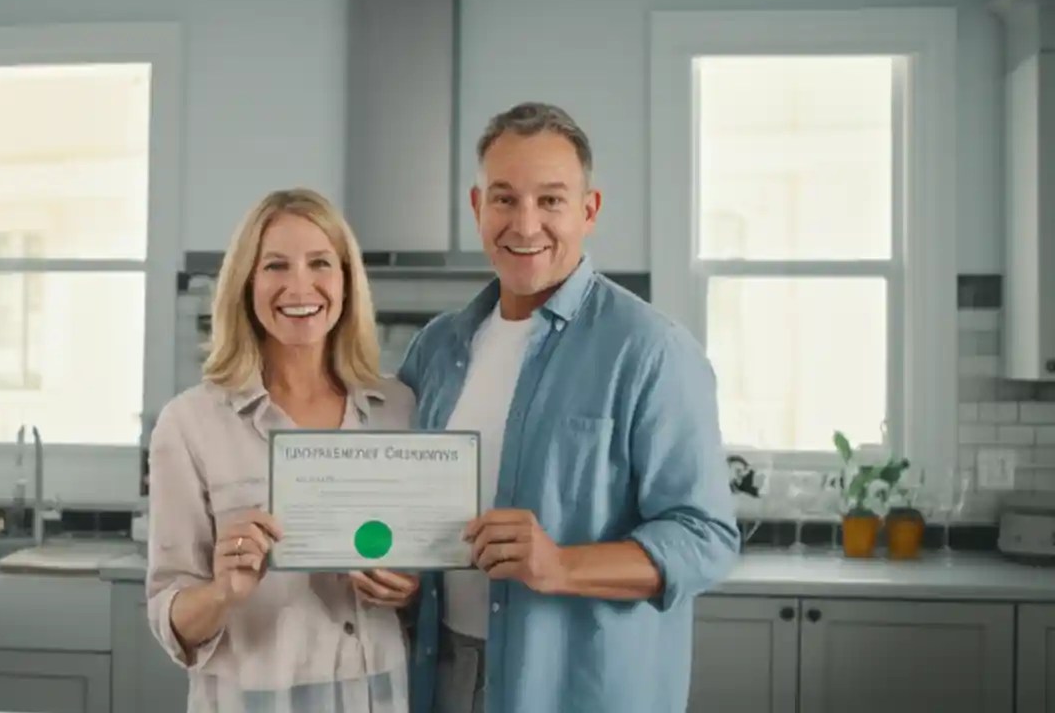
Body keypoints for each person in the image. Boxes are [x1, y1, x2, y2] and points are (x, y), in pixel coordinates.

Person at [396, 102, 741, 712]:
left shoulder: (652, 351)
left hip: (573, 689)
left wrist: (560, 565)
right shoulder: (436, 348)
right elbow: (400, 500)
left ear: (589, 210)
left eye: (550, 200)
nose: (525, 226)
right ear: (478, 210)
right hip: (442, 674)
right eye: (503, 199)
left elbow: (706, 537)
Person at [146, 188, 421, 712]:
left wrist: (408, 589)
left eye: (320, 263)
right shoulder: (189, 425)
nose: (300, 285)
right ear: (247, 284)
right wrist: (223, 591)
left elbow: (427, 585)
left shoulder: (399, 410)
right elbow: (170, 615)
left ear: (345, 281)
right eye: (275, 265)